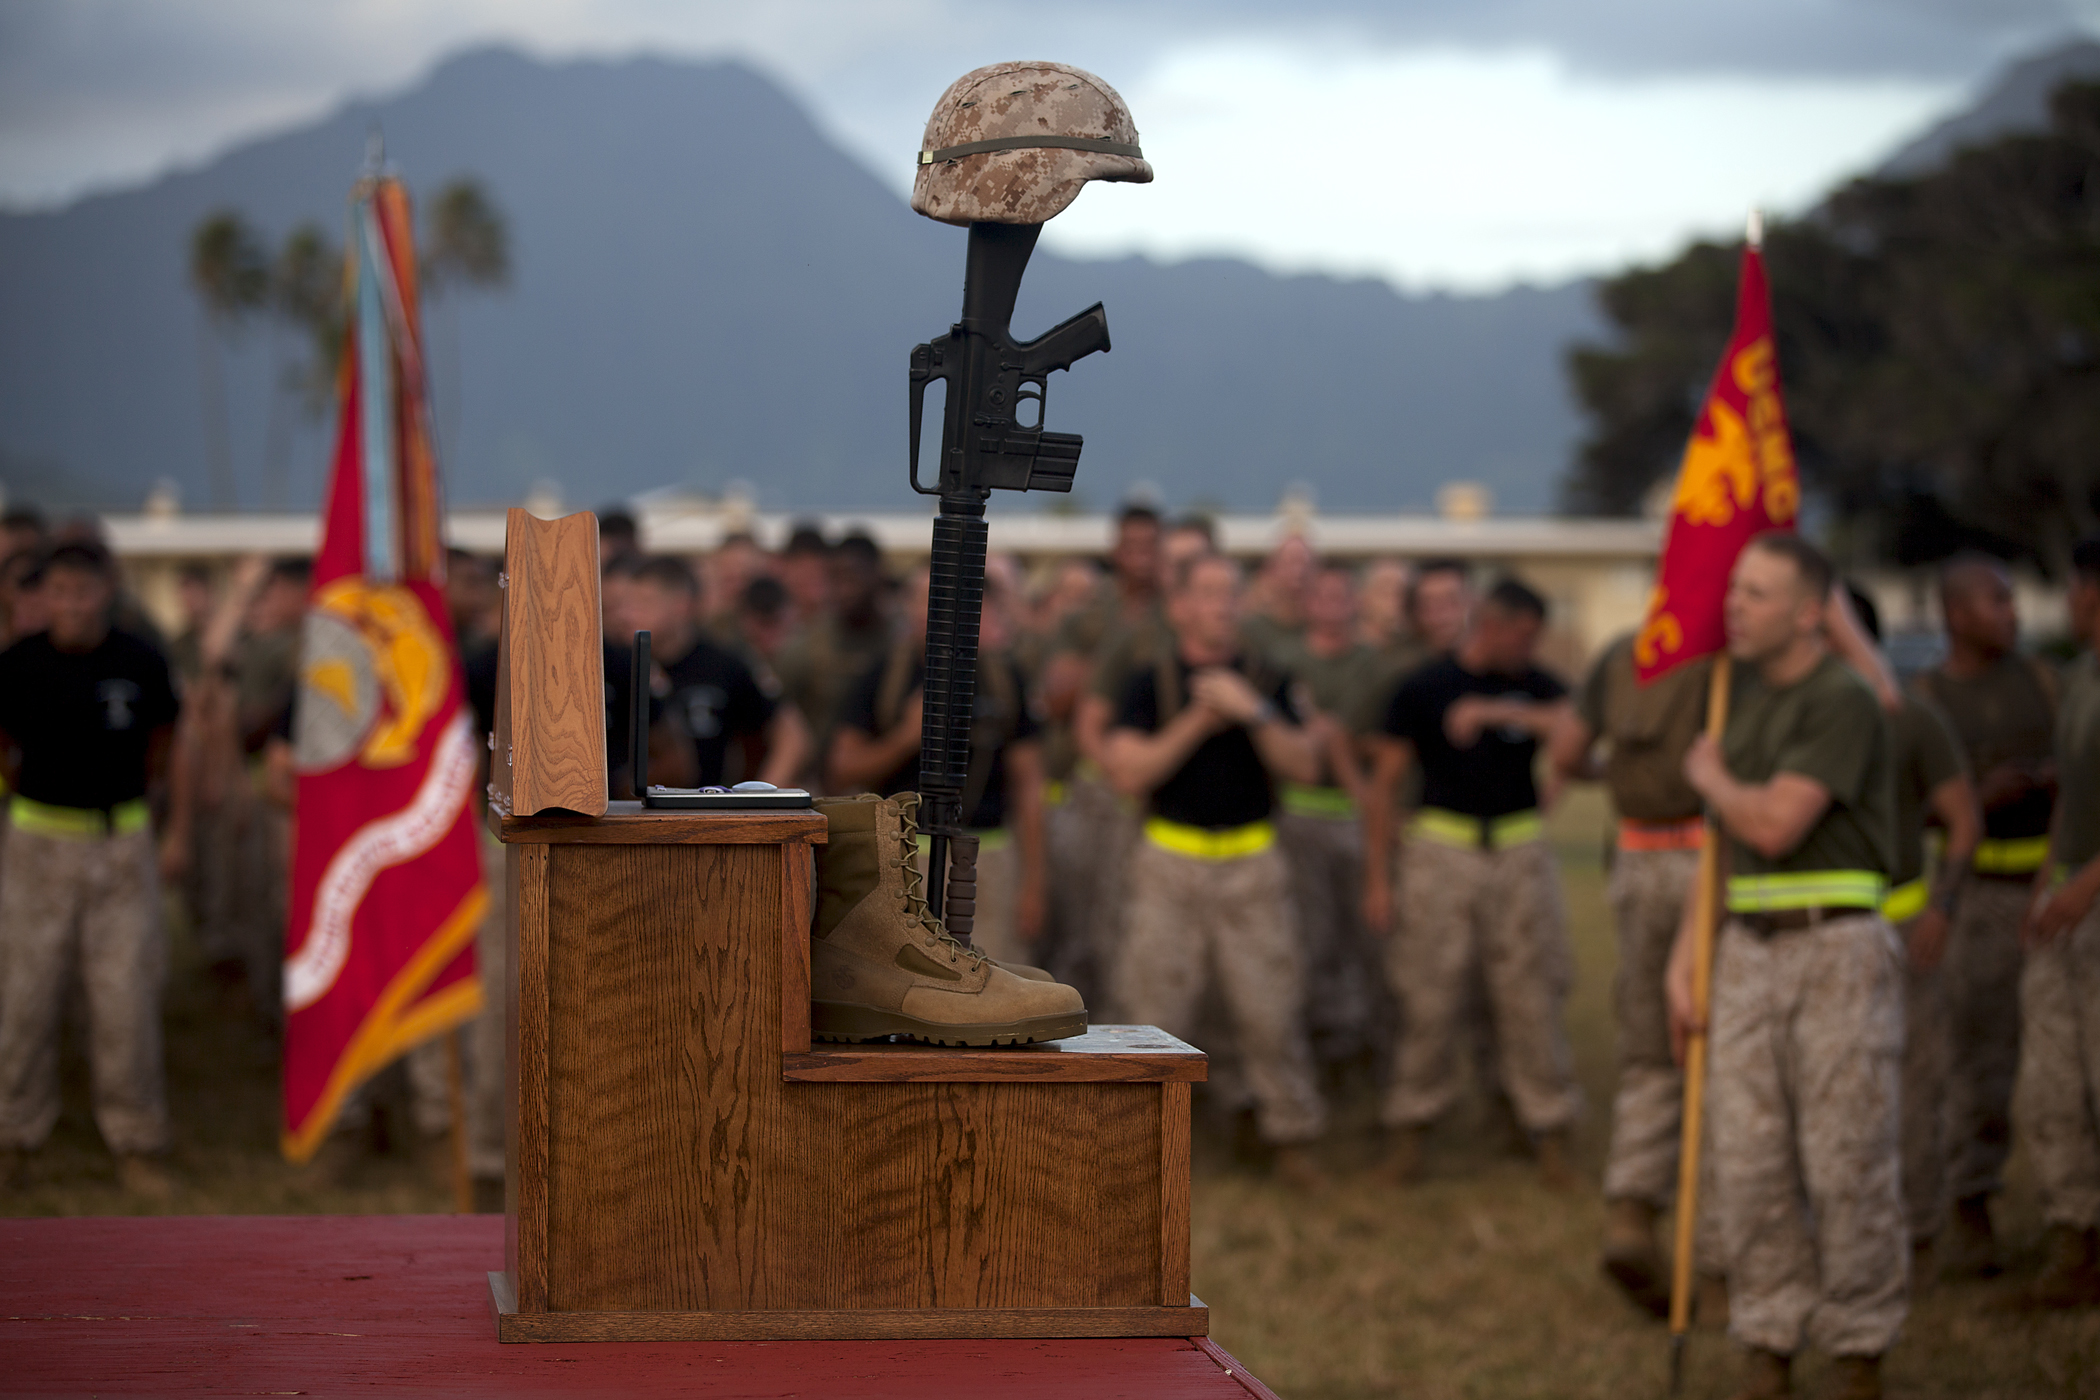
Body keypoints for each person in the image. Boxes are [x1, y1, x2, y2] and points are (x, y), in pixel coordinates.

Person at [1666, 532, 1903, 1400]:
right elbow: (1727, 851)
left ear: (1810, 614)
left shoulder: (1842, 698)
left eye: (1757, 594)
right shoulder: (1743, 700)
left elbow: (1770, 825)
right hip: (1748, 950)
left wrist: (1711, 777)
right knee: (1750, 1160)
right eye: (1735, 590)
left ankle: (1858, 1352)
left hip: (1832, 946)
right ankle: (1767, 1341)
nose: (1735, 606)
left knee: (1845, 1160)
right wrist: (1686, 960)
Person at [1103, 551, 1326, 1187]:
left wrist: (1252, 711)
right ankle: (1140, 1147)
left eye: (1231, 593)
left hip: (1252, 866)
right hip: (1170, 865)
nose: (1222, 605)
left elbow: (1306, 766)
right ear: (1179, 608)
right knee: (1153, 1010)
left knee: (1269, 1010)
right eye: (1206, 592)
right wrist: (1203, 716)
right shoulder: (1150, 682)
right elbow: (1129, 772)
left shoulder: (1270, 679)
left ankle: (1289, 1135)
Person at [1364, 576, 1581, 1187]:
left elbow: (1575, 726)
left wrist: (1498, 711)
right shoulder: (1423, 686)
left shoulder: (1533, 683)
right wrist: (1379, 879)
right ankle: (1410, 1132)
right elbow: (1383, 786)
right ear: (1491, 624)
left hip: (1518, 856)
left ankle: (1548, 1129)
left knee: (1530, 999)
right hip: (1441, 856)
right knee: (1428, 999)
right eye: (1523, 636)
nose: (1531, 648)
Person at [0, 541, 180, 1196]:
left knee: (124, 998)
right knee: (25, 996)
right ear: (42, 597)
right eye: (60, 592)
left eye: (84, 590)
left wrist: (173, 826)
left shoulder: (140, 660)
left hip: (121, 846)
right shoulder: (16, 665)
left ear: (107, 590)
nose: (72, 604)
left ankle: (137, 1140)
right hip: (37, 846)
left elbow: (166, 742)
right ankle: (15, 1134)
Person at [1551, 632, 1717, 1314]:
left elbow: (1566, 752)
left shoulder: (1623, 652)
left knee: (1650, 1050)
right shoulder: (1733, 657)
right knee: (1720, 1055)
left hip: (1636, 858)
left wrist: (1615, 774)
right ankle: (1724, 1257)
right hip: (1711, 856)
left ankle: (1631, 1209)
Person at [1911, 552, 2059, 1275]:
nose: (2013, 612)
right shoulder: (1927, 697)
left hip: (2053, 890)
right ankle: (1970, 1205)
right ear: (1957, 615)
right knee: (1976, 1060)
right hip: (1976, 900)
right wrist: (1976, 796)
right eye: (1997, 601)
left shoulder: (2042, 681)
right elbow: (1909, 806)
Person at [1841, 586, 1979, 1284]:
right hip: (1823, 930)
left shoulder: (1912, 720)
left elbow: (1963, 818)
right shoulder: (1789, 719)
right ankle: (1842, 1242)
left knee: (1914, 1088)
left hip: (1901, 921)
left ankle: (1919, 1238)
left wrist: (1942, 908)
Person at [828, 566, 1047, 967]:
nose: (939, 613)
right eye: (928, 600)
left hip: (988, 863)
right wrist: (904, 739)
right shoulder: (884, 676)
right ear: (908, 607)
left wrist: (1033, 882)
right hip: (900, 864)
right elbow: (843, 768)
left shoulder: (1003, 677)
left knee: (992, 980)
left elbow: (1029, 782)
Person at [2016, 536, 2100, 1308]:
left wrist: (2087, 888)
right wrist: (2050, 881)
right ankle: (2077, 1243)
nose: (2069, 601)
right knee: (2053, 1081)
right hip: (2071, 899)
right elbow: (2074, 790)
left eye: (2075, 585)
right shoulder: (2079, 679)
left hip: (2095, 900)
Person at [1276, 561, 1383, 1070]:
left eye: (1343, 595)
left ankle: (1364, 1040)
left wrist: (1322, 729)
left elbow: (1356, 734)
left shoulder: (1371, 663)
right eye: (1323, 596)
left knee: (1365, 936)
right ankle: (1316, 1043)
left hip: (1358, 814)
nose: (1333, 606)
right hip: (1297, 817)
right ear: (1308, 604)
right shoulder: (1285, 660)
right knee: (1309, 937)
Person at [607, 554, 810, 791]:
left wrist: (760, 798)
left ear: (681, 605)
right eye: (627, 605)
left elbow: (793, 738)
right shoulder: (616, 667)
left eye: (645, 602)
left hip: (705, 809)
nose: (628, 615)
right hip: (626, 809)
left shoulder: (722, 664)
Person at [776, 531, 891, 770]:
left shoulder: (900, 644)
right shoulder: (805, 647)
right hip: (818, 783)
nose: (843, 591)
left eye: (851, 579)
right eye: (835, 580)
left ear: (877, 576)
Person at [1240, 533, 1313, 669]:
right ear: (1272, 570)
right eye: (1291, 563)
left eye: (1304, 563)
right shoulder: (1250, 631)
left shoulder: (1323, 628)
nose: (1298, 572)